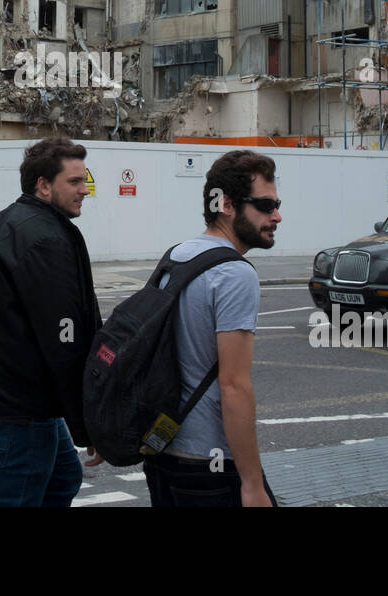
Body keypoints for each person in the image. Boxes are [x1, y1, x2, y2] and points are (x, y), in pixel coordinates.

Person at [0, 137, 103, 506]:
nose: (84, 190)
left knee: (63, 477)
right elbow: (63, 337)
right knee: (13, 499)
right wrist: (89, 424)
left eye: (85, 180)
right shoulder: (44, 239)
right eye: (74, 182)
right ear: (43, 185)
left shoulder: (4, 223)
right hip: (19, 406)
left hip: (15, 397)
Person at [143, 149, 281, 508]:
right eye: (265, 206)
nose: (277, 216)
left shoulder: (177, 256)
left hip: (162, 450)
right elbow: (233, 386)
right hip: (210, 465)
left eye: (276, 204)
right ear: (228, 205)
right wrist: (252, 485)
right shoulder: (235, 273)